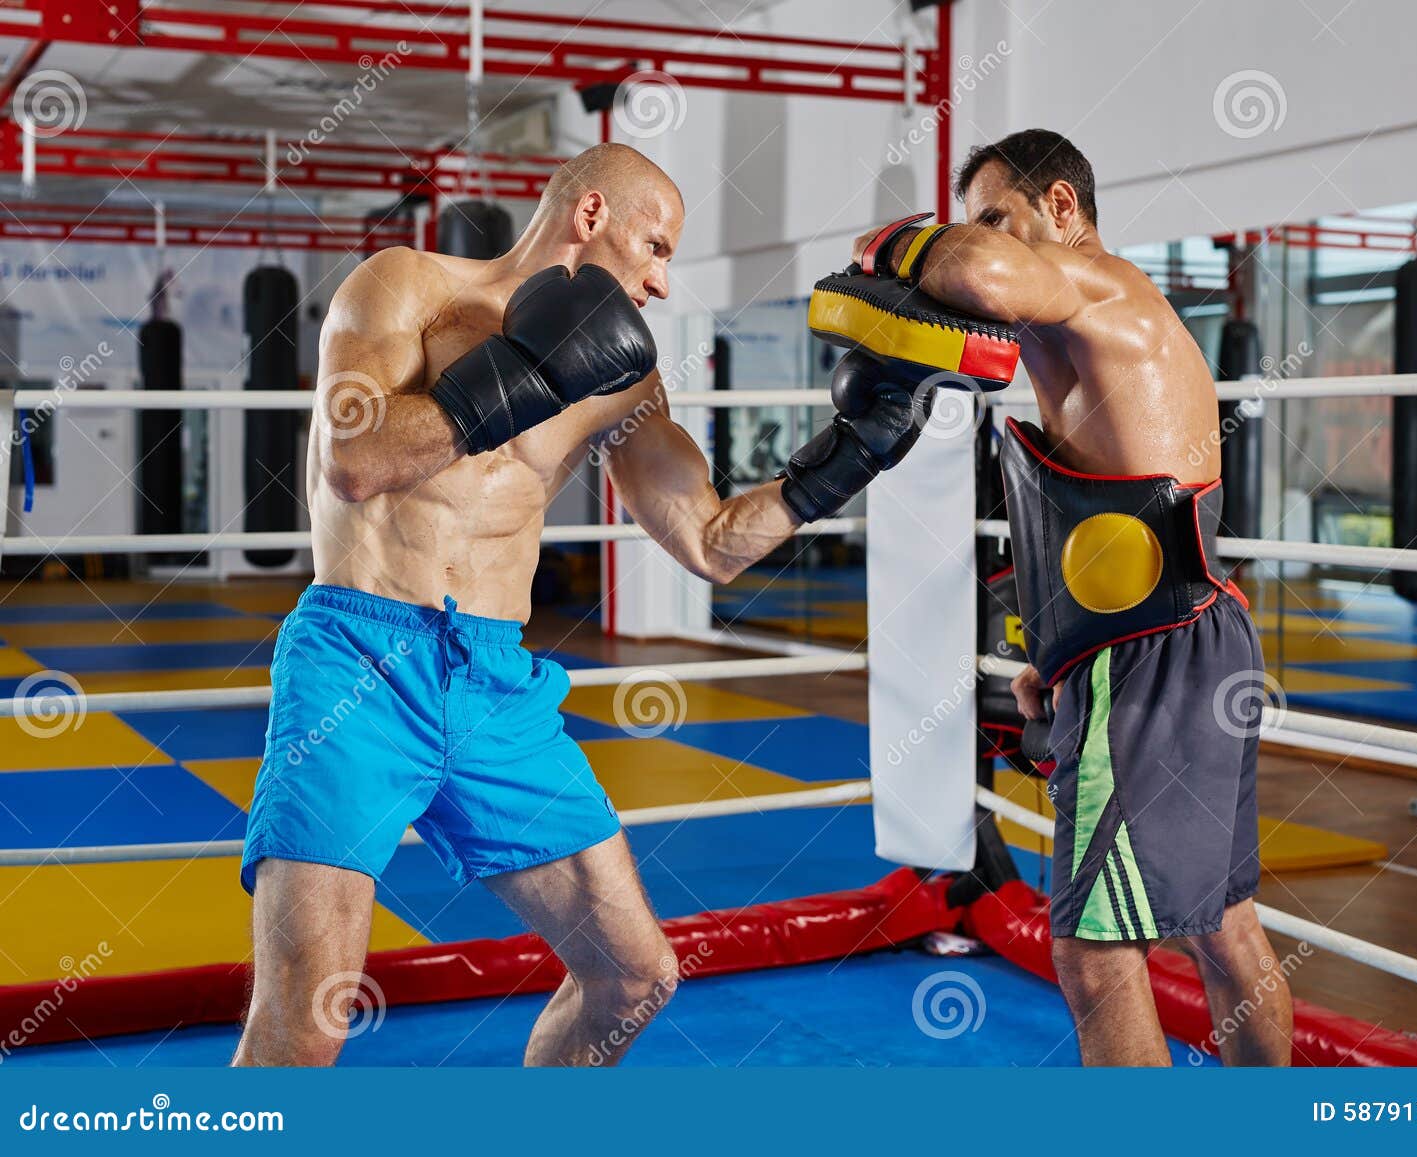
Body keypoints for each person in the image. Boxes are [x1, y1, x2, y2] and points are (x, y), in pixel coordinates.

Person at [235, 142, 932, 1067]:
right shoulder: (405, 284)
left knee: (632, 976)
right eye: (656, 247)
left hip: (495, 685)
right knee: (305, 1020)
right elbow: (355, 460)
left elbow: (710, 542)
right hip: (359, 663)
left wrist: (845, 460)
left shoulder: (626, 382)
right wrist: (531, 367)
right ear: (591, 214)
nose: (661, 282)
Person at [852, 128, 1291, 1066]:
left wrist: (890, 244)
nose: (986, 241)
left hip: (1156, 655)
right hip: (1159, 641)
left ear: (1062, 208)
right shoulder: (1076, 328)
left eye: (999, 216)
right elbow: (1103, 507)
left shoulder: (1101, 284)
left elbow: (986, 276)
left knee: (1092, 955)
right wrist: (1054, 658)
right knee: (1220, 925)